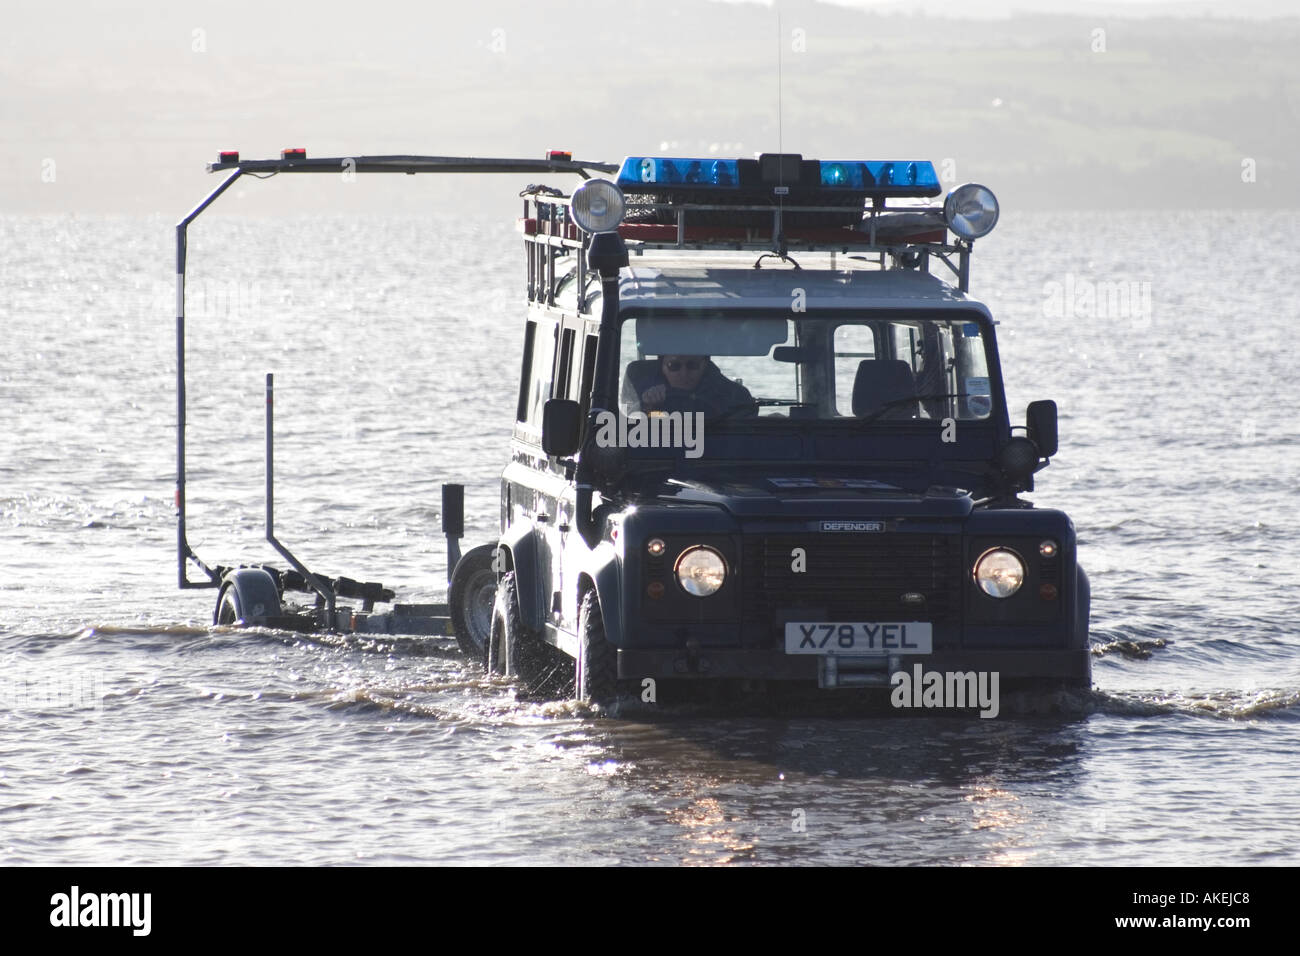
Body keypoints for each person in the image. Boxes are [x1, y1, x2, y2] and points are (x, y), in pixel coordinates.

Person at [623, 354, 757, 418]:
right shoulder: (643, 391)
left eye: (692, 365)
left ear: (704, 365)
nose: (684, 373)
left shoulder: (732, 395)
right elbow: (628, 426)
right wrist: (648, 407)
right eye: (674, 366)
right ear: (662, 367)